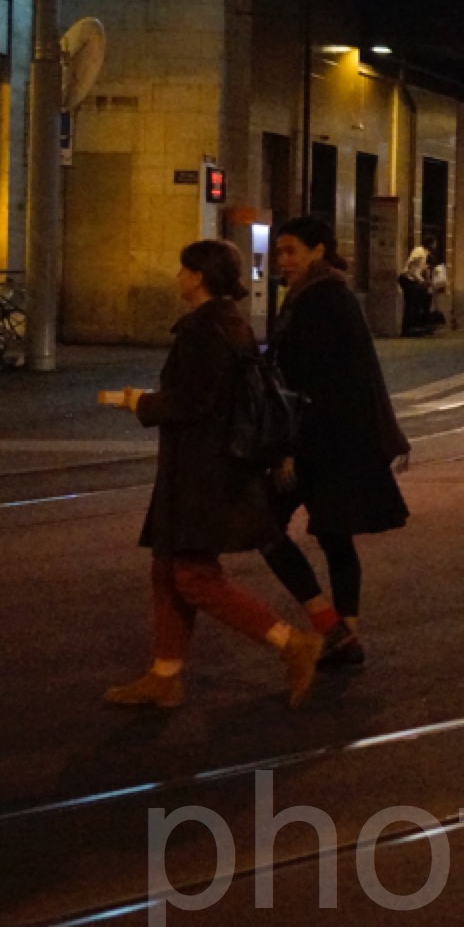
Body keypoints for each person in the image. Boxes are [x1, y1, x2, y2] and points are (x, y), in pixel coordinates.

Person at [103, 239, 320, 710]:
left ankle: (292, 643)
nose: (178, 276)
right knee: (166, 568)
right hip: (203, 466)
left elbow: (194, 401)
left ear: (198, 276)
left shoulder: (205, 330)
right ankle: (164, 674)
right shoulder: (229, 324)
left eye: (184, 269)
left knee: (195, 576)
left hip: (203, 472)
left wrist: (140, 402)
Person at [256, 216, 410, 673]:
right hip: (337, 440)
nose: (282, 261)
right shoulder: (325, 292)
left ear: (317, 251)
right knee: (334, 536)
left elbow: (308, 381)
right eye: (279, 252)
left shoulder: (320, 299)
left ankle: (335, 630)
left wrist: (287, 451)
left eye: (291, 251)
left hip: (318, 442)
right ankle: (345, 634)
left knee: (263, 527)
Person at [398, 235, 433, 337]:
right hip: (408, 279)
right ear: (429, 244)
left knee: (412, 303)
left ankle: (410, 328)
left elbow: (416, 266)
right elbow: (414, 270)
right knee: (412, 304)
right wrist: (422, 281)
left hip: (407, 278)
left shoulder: (420, 251)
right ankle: (410, 329)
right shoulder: (421, 254)